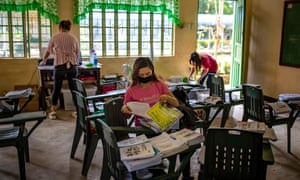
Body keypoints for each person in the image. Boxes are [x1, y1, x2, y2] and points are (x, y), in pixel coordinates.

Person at [121, 57, 180, 179]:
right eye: (141, 74)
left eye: (147, 73)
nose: (145, 77)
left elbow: (176, 103)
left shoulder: (159, 85)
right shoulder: (131, 91)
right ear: (136, 74)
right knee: (150, 155)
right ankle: (154, 169)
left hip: (162, 126)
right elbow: (126, 114)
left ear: (152, 71)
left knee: (160, 150)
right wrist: (124, 110)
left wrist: (167, 98)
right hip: (143, 129)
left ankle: (156, 168)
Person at [39, 20, 80, 119]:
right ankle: (77, 111)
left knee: (57, 88)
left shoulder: (55, 37)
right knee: (74, 89)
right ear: (69, 28)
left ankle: (53, 111)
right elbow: (77, 53)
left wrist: (44, 61)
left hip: (59, 65)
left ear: (60, 27)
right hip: (72, 66)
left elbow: (48, 51)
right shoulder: (74, 38)